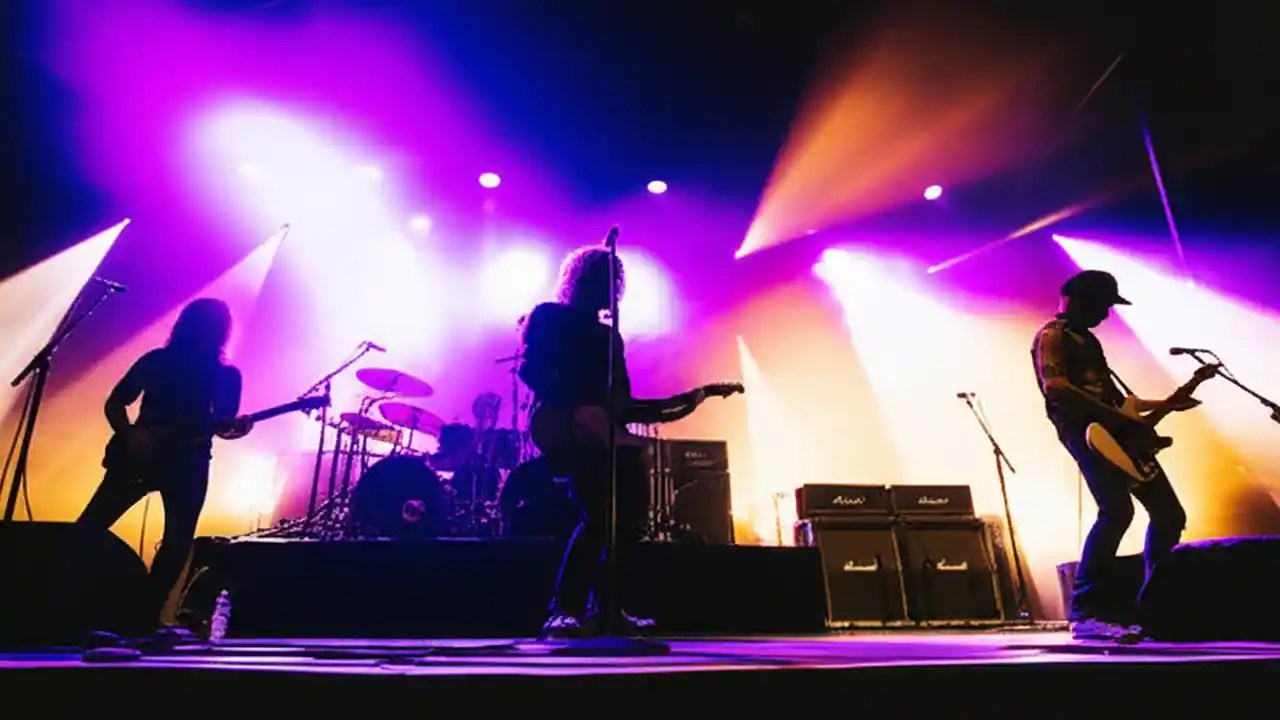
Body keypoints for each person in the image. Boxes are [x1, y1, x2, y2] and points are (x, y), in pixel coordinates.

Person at [519, 244, 706, 638]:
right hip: (564, 425)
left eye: (615, 282)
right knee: (599, 517)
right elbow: (530, 370)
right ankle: (564, 610)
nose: (612, 288)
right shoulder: (549, 317)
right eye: (605, 279)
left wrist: (683, 404)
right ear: (583, 281)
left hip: (601, 429)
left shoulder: (610, 336)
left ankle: (609, 608)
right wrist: (576, 410)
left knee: (626, 521)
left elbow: (621, 403)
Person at [1031, 270, 1195, 641]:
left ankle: (1154, 606)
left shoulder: (1088, 341)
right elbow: (1056, 388)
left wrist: (1164, 405)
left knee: (1169, 514)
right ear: (1079, 299)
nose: (1106, 314)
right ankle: (1085, 613)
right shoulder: (1052, 337)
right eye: (1103, 305)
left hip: (1121, 435)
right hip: (1090, 435)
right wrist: (1113, 417)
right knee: (1117, 511)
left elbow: (1115, 400)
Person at [79, 298, 253, 635]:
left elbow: (222, 423)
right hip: (144, 456)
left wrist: (239, 428)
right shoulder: (156, 362)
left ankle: (143, 615)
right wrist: (131, 435)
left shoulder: (224, 375)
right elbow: (117, 402)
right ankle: (87, 599)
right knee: (93, 527)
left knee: (175, 540)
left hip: (188, 459)